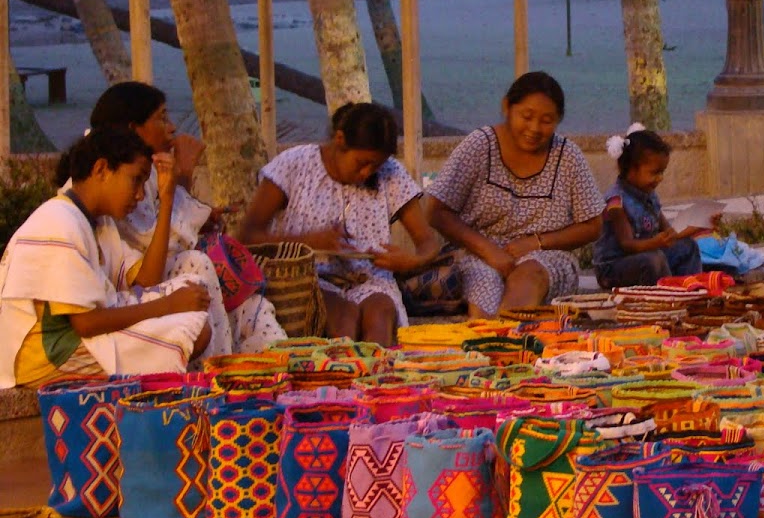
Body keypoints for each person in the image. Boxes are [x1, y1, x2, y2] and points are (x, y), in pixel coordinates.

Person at [72, 81, 286, 355]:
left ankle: (274, 357)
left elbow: (170, 231)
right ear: (132, 130)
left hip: (141, 291)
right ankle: (218, 366)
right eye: (162, 117)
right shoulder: (112, 180)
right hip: (128, 302)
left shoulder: (139, 170)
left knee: (251, 302)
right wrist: (181, 178)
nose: (171, 127)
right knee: (195, 265)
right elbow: (157, 261)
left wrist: (184, 199)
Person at [0, 128, 213, 389]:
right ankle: (200, 397)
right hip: (49, 357)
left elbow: (146, 280)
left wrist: (167, 200)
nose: (140, 195)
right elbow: (86, 323)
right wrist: (168, 306)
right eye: (135, 180)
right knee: (194, 330)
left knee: (192, 288)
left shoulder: (96, 224)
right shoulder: (59, 222)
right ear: (101, 169)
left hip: (72, 341)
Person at [240, 102, 440, 345]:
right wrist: (308, 242)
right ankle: (341, 366)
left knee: (380, 316)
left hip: (371, 281)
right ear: (340, 139)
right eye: (362, 162)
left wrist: (411, 261)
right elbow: (246, 236)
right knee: (344, 320)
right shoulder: (294, 165)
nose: (367, 173)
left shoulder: (390, 172)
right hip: (310, 281)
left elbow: (428, 241)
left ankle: (378, 368)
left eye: (375, 166)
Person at [427, 71, 604, 318]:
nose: (534, 128)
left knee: (530, 275)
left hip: (547, 258)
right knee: (484, 287)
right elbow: (437, 212)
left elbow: (593, 225)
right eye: (526, 116)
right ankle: (488, 335)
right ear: (507, 107)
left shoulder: (567, 156)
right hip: (478, 253)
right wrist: (489, 251)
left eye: (546, 120)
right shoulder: (479, 145)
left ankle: (510, 333)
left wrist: (537, 242)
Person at [591, 123, 704, 289]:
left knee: (687, 247)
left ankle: (692, 291)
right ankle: (668, 296)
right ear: (631, 169)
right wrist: (655, 242)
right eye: (655, 172)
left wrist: (699, 225)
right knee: (654, 259)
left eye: (662, 172)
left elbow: (668, 232)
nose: (660, 178)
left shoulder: (650, 196)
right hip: (614, 268)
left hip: (647, 255)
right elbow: (627, 244)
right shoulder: (615, 202)